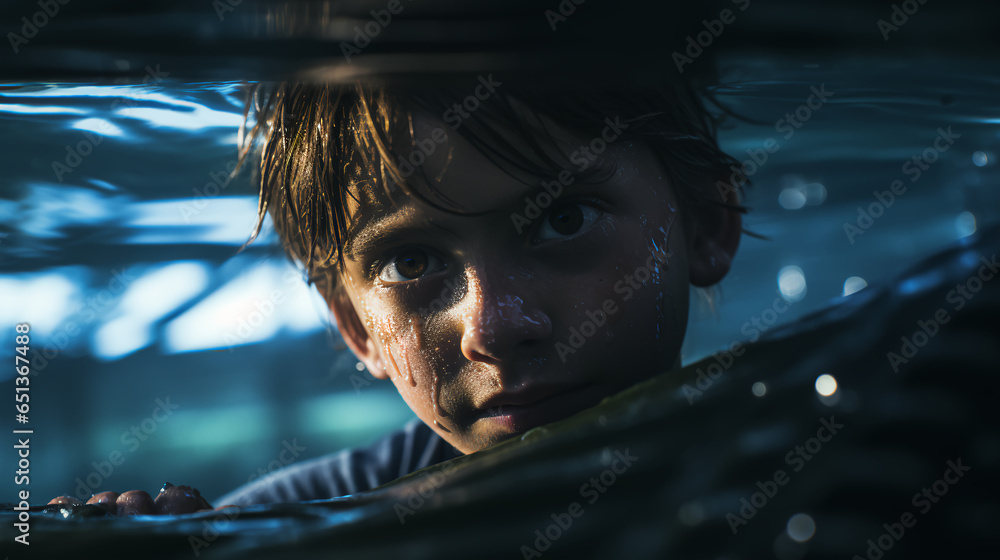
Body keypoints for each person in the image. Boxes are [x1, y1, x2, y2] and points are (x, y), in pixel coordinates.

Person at [49, 77, 748, 514]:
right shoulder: (274, 524)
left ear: (709, 223)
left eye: (564, 220)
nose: (494, 327)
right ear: (354, 326)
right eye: (411, 263)